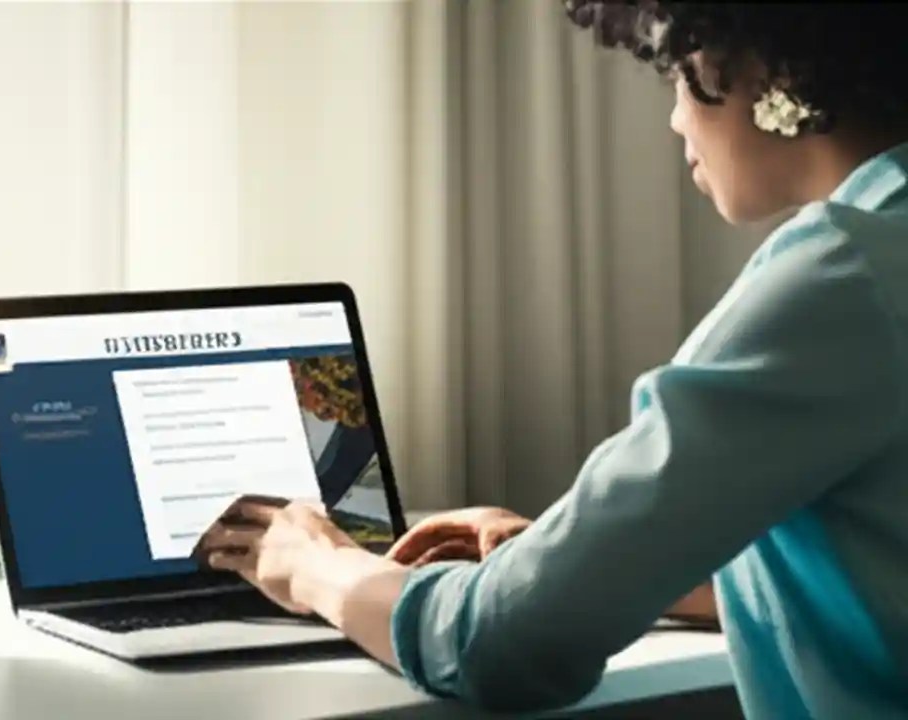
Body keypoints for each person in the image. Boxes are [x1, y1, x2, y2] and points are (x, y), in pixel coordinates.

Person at [193, 2, 908, 717]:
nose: (676, 119)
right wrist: (576, 561)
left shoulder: (845, 278)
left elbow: (507, 642)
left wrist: (318, 568)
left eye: (678, 75)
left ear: (765, 65)